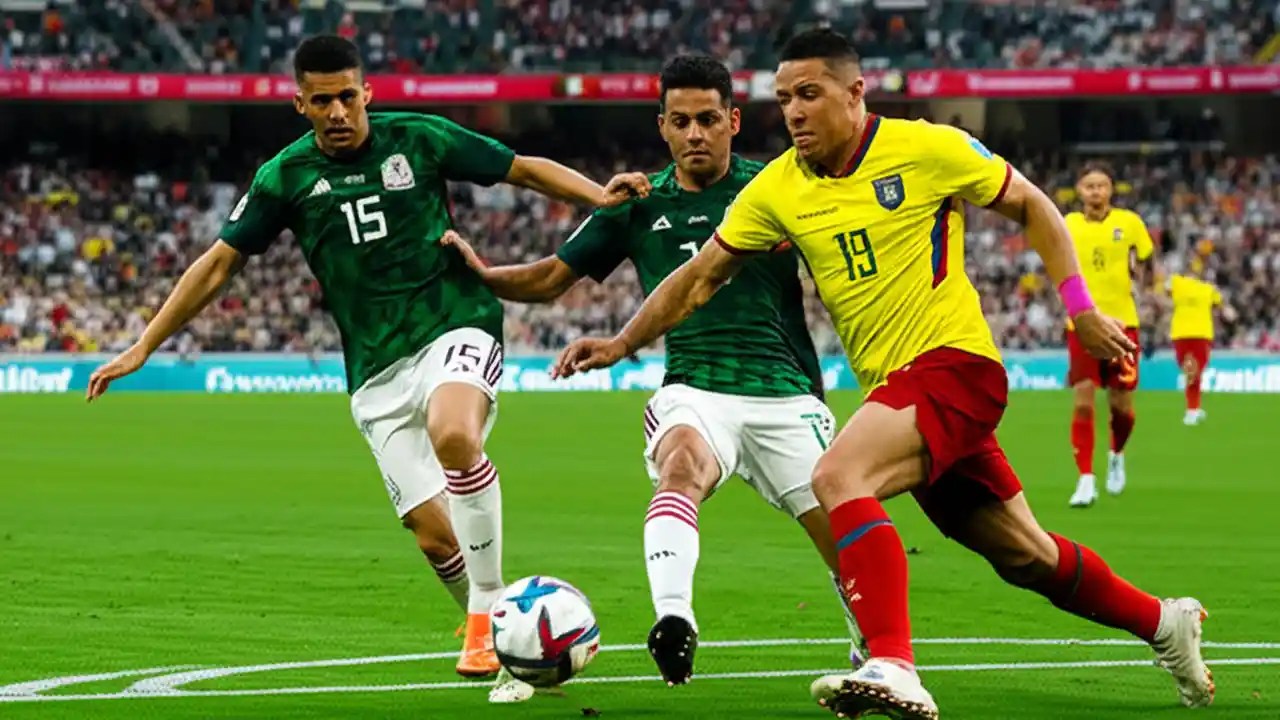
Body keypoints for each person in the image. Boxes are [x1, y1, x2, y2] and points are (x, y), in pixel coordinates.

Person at [550, 29, 1213, 720]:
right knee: (1026, 555)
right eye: (784, 99)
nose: (795, 112)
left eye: (810, 94)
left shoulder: (927, 147)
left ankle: (892, 663)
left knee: (838, 476)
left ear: (855, 92)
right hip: (898, 395)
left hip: (956, 365)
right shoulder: (777, 187)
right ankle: (1166, 625)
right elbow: (696, 280)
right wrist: (623, 342)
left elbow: (1034, 205)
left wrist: (1077, 308)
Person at [84, 34, 648, 702]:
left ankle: (485, 608)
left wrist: (596, 196)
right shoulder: (284, 177)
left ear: (367, 93)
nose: (338, 111)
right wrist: (145, 343)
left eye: (348, 96)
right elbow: (219, 263)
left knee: (455, 434)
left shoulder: (420, 136)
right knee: (433, 535)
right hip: (376, 370)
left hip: (452, 320)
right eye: (322, 100)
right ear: (301, 104)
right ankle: (509, 645)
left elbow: (520, 167)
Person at [441, 54, 866, 686]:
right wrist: (485, 274)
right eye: (682, 120)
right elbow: (553, 277)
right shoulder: (636, 205)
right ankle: (674, 620)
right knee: (681, 462)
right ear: (661, 126)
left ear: (734, 121)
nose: (695, 133)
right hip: (693, 388)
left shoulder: (780, 186)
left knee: (845, 533)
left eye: (708, 119)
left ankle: (875, 646)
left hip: (785, 395)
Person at [1064, 163, 1155, 507]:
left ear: (1111, 190)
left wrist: (1143, 286)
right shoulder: (1068, 225)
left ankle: (1116, 454)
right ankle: (1085, 478)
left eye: (1102, 185)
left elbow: (1147, 258)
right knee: (1084, 401)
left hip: (1122, 324)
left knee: (1121, 407)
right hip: (1083, 324)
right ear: (1079, 190)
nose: (1095, 192)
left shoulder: (1129, 223)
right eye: (1089, 186)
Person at [1167, 259, 1224, 426]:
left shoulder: (1177, 282)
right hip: (1200, 333)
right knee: (1194, 372)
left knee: (1191, 372)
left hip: (1183, 333)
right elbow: (1220, 304)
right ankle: (1192, 410)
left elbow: (1164, 289)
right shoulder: (1208, 288)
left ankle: (1193, 408)